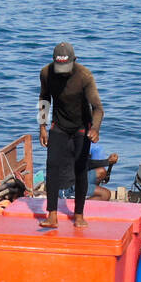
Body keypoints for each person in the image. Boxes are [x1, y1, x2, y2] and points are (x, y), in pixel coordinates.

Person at [37, 42, 103, 229]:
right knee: (52, 166)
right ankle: (52, 215)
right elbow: (44, 99)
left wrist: (95, 129)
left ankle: (79, 215)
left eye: (66, 67)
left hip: (81, 127)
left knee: (80, 168)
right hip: (59, 125)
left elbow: (98, 108)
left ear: (74, 61)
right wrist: (42, 126)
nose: (63, 72)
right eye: (60, 67)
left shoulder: (84, 76)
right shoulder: (46, 73)